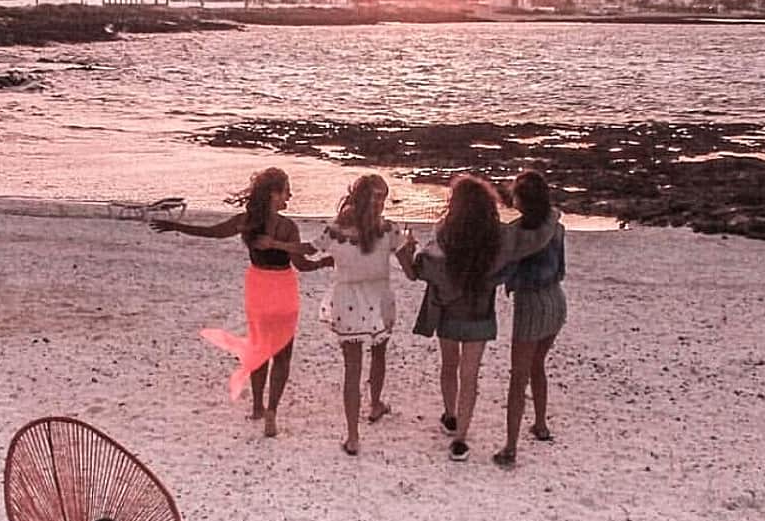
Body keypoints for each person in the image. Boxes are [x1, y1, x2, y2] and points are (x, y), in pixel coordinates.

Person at [150, 167, 331, 438]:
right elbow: (302, 264)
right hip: (282, 289)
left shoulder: (246, 221)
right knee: (282, 355)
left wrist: (175, 225)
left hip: (258, 288)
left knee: (259, 349)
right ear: (273, 194)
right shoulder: (287, 227)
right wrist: (323, 263)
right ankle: (271, 412)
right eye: (286, 191)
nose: (289, 196)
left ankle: (257, 406)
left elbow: (211, 232)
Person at [396, 174, 559, 462]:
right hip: (479, 312)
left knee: (449, 364)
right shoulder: (499, 236)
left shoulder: (444, 230)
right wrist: (552, 216)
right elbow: (534, 239)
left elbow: (425, 268)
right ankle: (460, 438)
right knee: (469, 375)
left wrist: (410, 249)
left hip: (447, 309)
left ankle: (450, 414)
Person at [295, 174, 412, 456]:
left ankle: (354, 434)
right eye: (376, 197)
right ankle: (372, 407)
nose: (380, 203)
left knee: (354, 367)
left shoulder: (337, 229)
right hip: (376, 296)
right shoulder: (390, 230)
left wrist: (279, 244)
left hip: (349, 299)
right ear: (363, 198)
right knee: (375, 355)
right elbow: (411, 272)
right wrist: (412, 248)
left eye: (383, 197)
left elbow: (308, 250)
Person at [492, 170, 567, 468]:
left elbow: (502, 269)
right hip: (556, 299)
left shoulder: (517, 234)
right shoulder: (557, 228)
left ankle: (510, 447)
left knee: (518, 376)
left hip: (531, 302)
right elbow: (561, 268)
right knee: (538, 365)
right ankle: (540, 424)